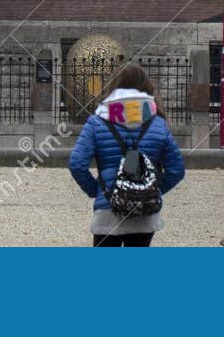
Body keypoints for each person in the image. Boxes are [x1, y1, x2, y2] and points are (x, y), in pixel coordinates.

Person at [68, 63, 186, 246]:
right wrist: (151, 190)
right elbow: (176, 170)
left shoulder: (97, 121)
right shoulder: (157, 122)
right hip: (145, 214)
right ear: (146, 86)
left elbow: (77, 164)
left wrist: (97, 190)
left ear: (114, 86)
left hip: (108, 210)